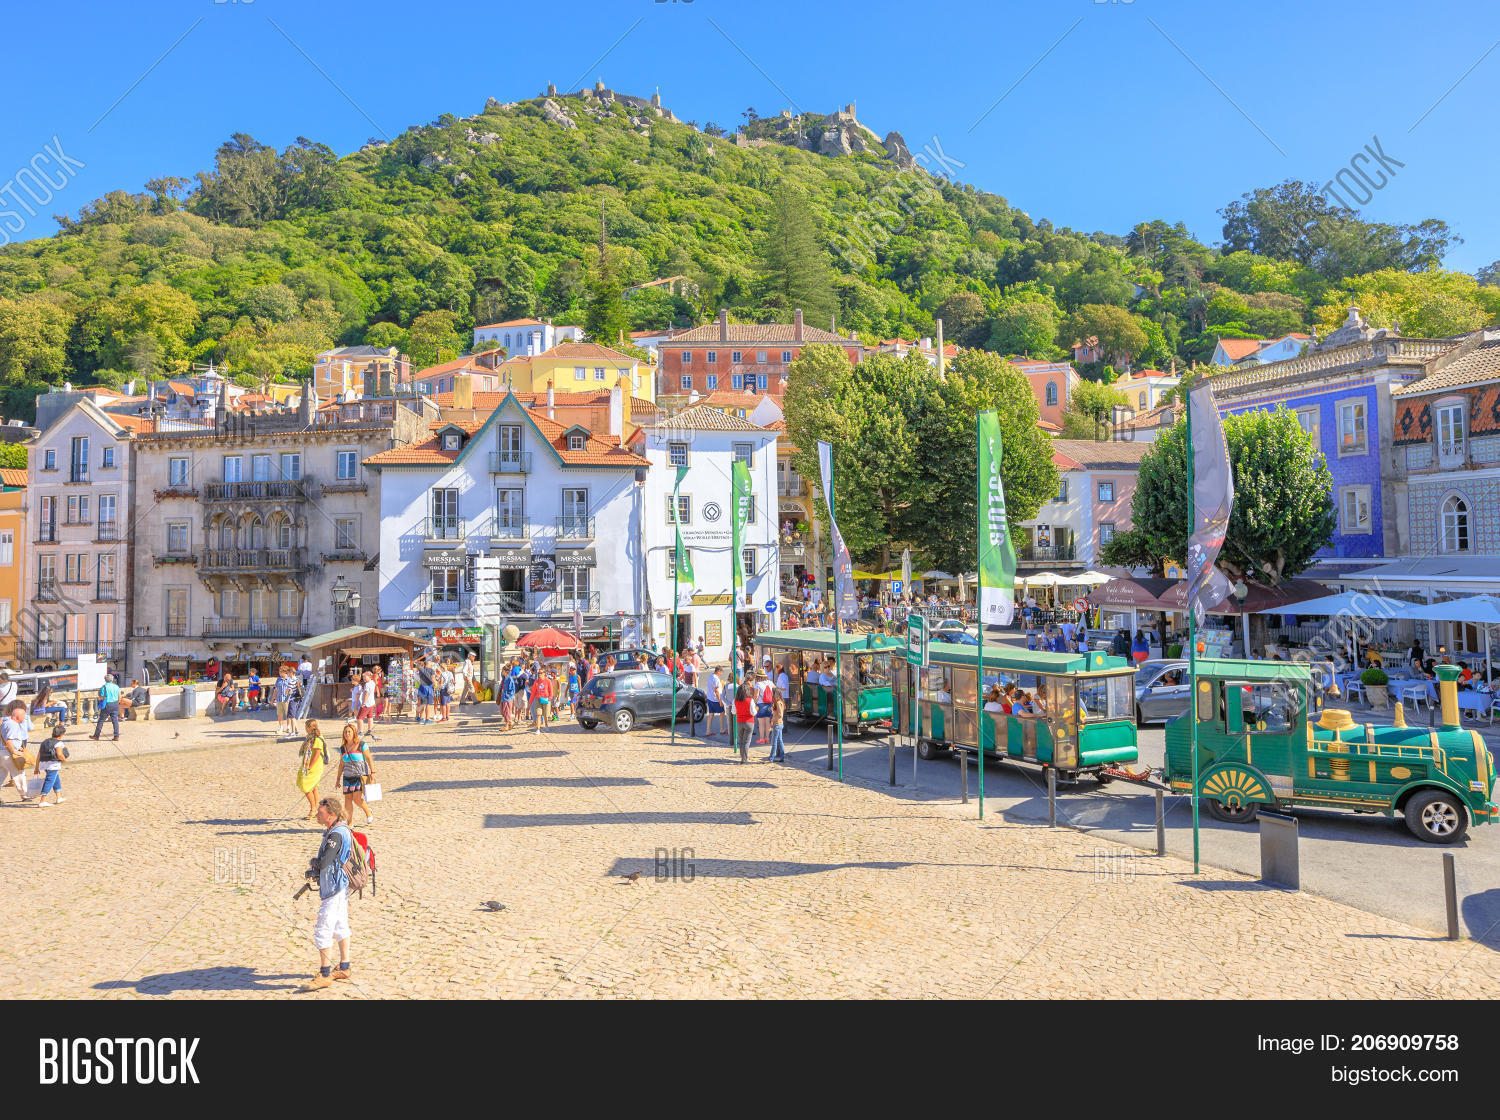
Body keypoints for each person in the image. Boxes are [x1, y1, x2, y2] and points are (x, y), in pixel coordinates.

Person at [302, 796, 355, 990]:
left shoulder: (336, 835)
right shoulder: (336, 829)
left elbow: (325, 862)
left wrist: (314, 864)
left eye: (321, 812)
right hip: (338, 886)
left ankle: (325, 973)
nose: (317, 815)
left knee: (323, 927)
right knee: (341, 923)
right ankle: (345, 965)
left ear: (331, 815)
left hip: (334, 887)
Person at [335, 723, 375, 825]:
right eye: (345, 732)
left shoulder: (361, 745)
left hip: (359, 775)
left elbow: (369, 758)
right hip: (347, 777)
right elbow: (341, 764)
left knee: (357, 799)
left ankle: (368, 812)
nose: (347, 734)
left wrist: (372, 772)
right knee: (347, 800)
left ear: (354, 733)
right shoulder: (343, 748)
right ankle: (350, 822)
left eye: (349, 732)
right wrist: (338, 779)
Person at [2, 700, 36, 803]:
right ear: (17, 716)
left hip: (2, 752)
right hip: (8, 753)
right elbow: (9, 739)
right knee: (19, 774)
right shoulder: (13, 724)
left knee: (1, 775)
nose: (24, 718)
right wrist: (14, 751)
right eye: (23, 716)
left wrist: (17, 747)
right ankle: (25, 795)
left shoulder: (5, 722)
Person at [296, 720, 328, 820]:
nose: (305, 729)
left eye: (306, 727)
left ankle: (313, 808)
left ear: (311, 727)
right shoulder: (310, 737)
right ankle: (318, 809)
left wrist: (309, 766)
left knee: (306, 786)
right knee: (313, 787)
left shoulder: (317, 739)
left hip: (314, 766)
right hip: (307, 764)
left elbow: (317, 754)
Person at [32, 722, 68, 807]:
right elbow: (59, 754)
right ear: (61, 735)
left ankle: (58, 797)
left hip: (45, 764)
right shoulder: (59, 743)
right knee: (50, 781)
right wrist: (64, 760)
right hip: (53, 765)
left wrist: (36, 767)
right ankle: (43, 800)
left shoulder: (44, 742)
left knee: (56, 779)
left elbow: (39, 755)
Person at [91, 674, 122, 742]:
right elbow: (120, 696)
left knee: (101, 720)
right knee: (115, 721)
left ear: (105, 680)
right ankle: (116, 736)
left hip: (107, 705)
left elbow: (102, 697)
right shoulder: (116, 686)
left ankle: (96, 736)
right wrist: (118, 703)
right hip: (115, 704)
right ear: (112, 679)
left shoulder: (104, 687)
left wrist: (99, 699)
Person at [733, 679, 755, 762]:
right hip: (749, 721)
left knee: (741, 740)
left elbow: (734, 712)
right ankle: (744, 759)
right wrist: (756, 708)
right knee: (746, 741)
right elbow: (753, 712)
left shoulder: (736, 701)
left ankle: (742, 756)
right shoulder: (750, 700)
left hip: (739, 721)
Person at [275, 666, 298, 738]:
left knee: (289, 715)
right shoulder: (278, 679)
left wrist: (288, 692)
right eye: (279, 671)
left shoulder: (290, 679)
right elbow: (276, 690)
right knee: (280, 714)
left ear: (285, 672)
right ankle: (281, 727)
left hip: (287, 700)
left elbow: (292, 689)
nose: (280, 673)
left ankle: (289, 727)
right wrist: (273, 699)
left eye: (281, 671)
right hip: (279, 699)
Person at [766, 686, 787, 762]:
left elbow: (780, 714)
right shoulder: (778, 702)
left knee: (774, 742)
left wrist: (773, 720)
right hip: (779, 724)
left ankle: (771, 758)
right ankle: (782, 757)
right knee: (779, 741)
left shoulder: (778, 703)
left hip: (777, 724)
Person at [704, 666, 725, 737]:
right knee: (722, 712)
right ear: (718, 671)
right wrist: (720, 701)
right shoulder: (716, 679)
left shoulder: (710, 676)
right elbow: (716, 691)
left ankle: (707, 731)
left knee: (711, 714)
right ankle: (722, 729)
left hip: (710, 698)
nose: (721, 674)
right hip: (715, 699)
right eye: (721, 672)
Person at [531, 667, 553, 733]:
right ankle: (538, 729)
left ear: (544, 674)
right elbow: (533, 692)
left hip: (546, 699)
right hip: (538, 699)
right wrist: (531, 701)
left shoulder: (548, 681)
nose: (539, 674)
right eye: (538, 673)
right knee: (538, 714)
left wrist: (550, 698)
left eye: (540, 673)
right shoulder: (536, 681)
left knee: (545, 714)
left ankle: (546, 725)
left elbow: (551, 690)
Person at [416, 654, 436, 724]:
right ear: (430, 665)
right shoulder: (431, 670)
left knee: (422, 703)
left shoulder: (421, 670)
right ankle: (427, 719)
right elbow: (433, 680)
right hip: (428, 688)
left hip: (421, 687)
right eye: (431, 665)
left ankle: (421, 719)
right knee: (428, 704)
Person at [754, 672, 774, 745]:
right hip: (769, 704)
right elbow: (775, 690)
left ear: (758, 677)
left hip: (761, 704)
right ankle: (767, 738)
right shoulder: (770, 682)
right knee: (767, 722)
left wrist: (754, 703)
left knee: (761, 723)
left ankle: (762, 739)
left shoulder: (758, 684)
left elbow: (756, 695)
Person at [358, 671, 379, 739]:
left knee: (359, 718)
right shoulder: (372, 683)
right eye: (363, 677)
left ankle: (360, 731)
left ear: (369, 677)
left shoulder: (367, 684)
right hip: (371, 702)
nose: (364, 678)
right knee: (370, 717)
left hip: (366, 703)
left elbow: (366, 694)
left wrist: (363, 703)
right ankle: (369, 730)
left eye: (365, 677)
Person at [499, 665, 519, 730]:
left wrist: (508, 696)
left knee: (507, 711)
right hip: (503, 697)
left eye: (502, 670)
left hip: (507, 698)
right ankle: (511, 722)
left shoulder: (510, 679)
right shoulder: (504, 678)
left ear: (505, 671)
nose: (501, 672)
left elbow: (512, 690)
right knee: (502, 711)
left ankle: (506, 725)